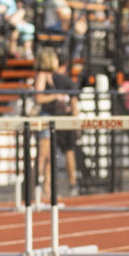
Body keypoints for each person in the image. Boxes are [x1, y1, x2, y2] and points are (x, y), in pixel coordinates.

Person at [33, 47, 79, 196]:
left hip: (52, 117)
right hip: (46, 118)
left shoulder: (51, 76)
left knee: (50, 158)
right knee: (42, 156)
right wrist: (55, 96)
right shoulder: (42, 75)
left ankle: (47, 190)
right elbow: (38, 98)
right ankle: (33, 189)